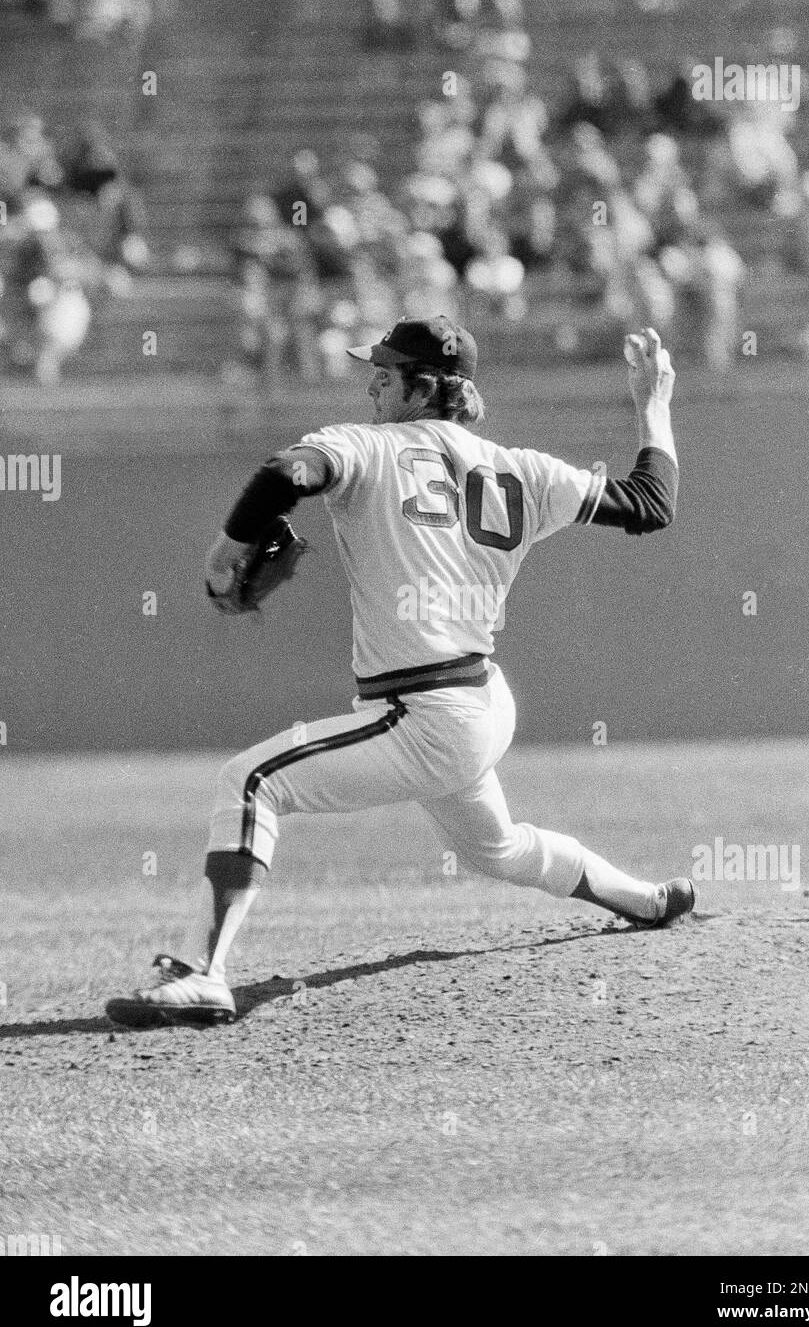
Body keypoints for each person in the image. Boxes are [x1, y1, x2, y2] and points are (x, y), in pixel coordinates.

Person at [107, 317, 694, 1025]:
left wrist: (229, 545)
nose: (371, 384)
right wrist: (652, 407)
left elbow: (285, 474)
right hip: (478, 703)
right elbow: (651, 506)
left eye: (384, 374)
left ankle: (205, 972)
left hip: (426, 716)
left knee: (252, 781)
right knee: (497, 848)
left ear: (423, 389)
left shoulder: (366, 445)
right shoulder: (528, 470)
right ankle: (646, 900)